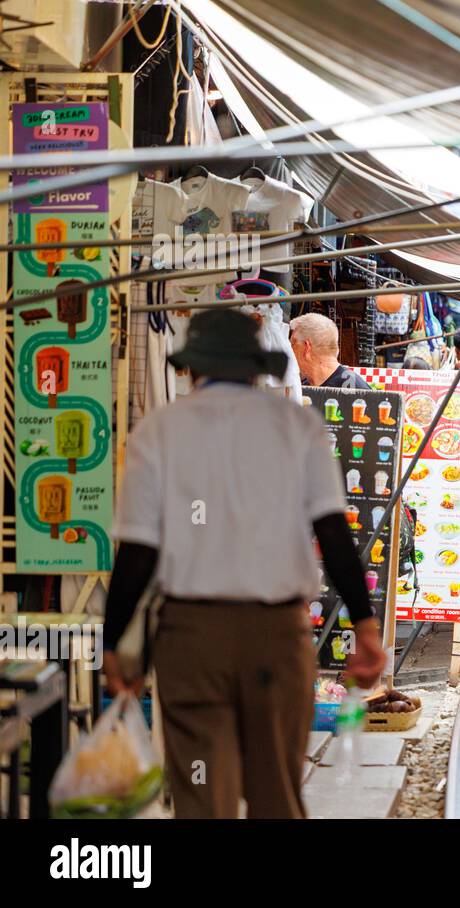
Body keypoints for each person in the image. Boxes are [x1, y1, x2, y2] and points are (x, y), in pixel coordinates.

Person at [103, 309, 384, 818]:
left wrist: (114, 647)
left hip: (192, 639)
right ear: (257, 370)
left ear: (190, 369)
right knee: (276, 791)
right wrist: (365, 627)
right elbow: (334, 535)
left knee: (202, 795)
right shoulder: (297, 427)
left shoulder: (159, 432)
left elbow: (138, 556)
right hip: (276, 636)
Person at [288, 312, 370, 389]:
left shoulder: (352, 388)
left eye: (292, 344)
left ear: (306, 348)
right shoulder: (302, 386)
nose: (289, 350)